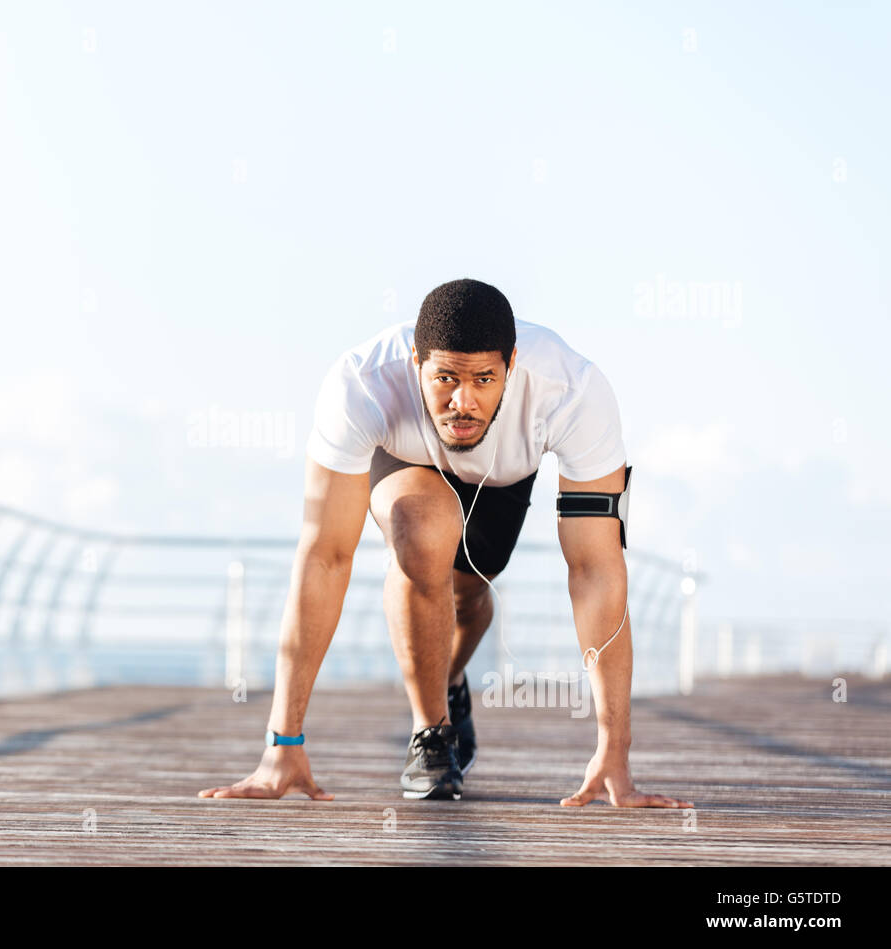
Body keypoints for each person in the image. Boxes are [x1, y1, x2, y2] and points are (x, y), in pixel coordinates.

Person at [198, 278, 693, 807]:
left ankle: (450, 678)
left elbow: (596, 569)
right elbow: (325, 557)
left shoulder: (572, 390)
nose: (463, 401)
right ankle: (431, 733)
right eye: (444, 378)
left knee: (471, 597)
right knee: (424, 532)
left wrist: (614, 747)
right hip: (409, 462)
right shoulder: (363, 385)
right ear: (416, 361)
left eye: (484, 378)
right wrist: (284, 741)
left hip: (502, 478)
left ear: (512, 364)